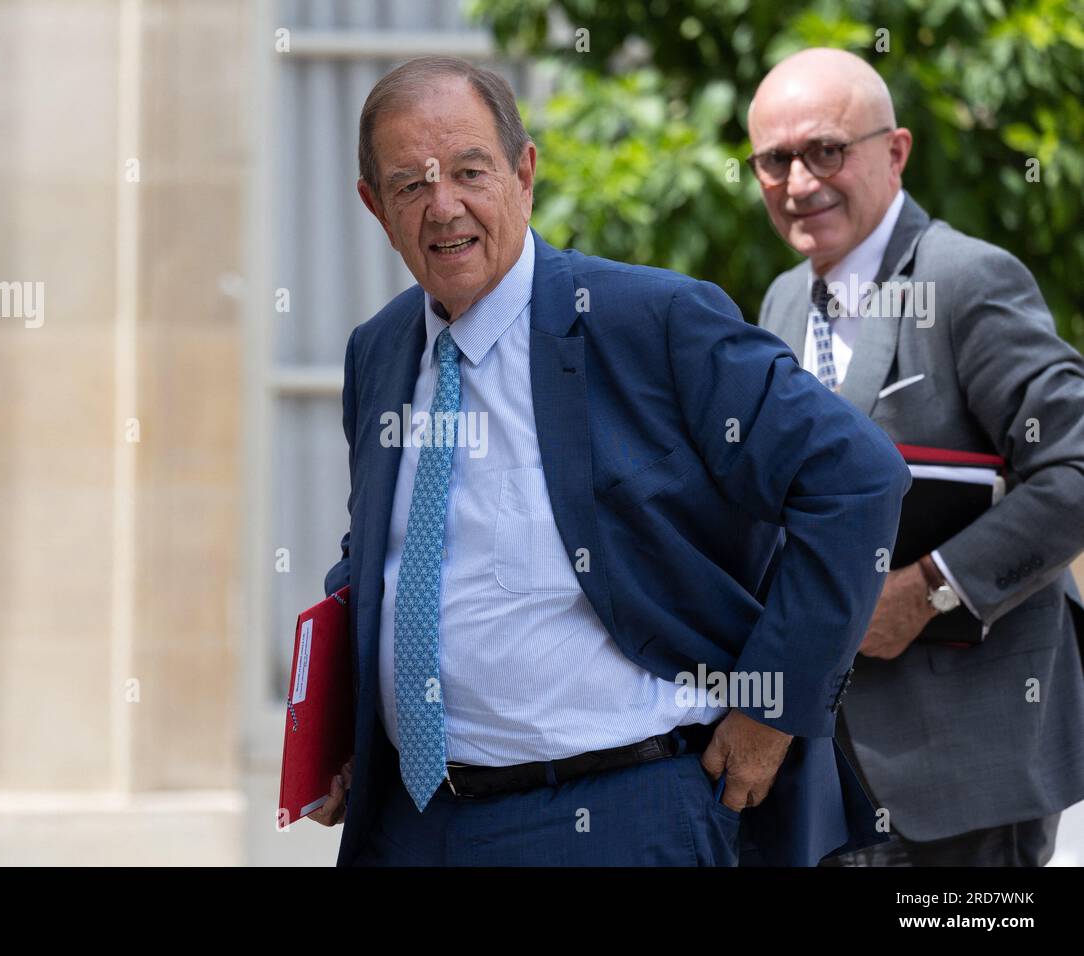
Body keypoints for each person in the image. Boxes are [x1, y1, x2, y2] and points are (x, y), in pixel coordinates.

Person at [312, 55, 910, 866]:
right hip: (413, 824)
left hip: (619, 815)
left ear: (524, 173)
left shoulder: (649, 319)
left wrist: (775, 708)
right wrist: (336, 725)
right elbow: (382, 553)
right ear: (374, 207)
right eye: (410, 185)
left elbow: (856, 477)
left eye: (468, 170)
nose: (443, 206)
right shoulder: (378, 351)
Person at [750, 47, 1084, 866]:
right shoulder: (784, 299)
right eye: (774, 160)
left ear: (894, 151)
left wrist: (931, 590)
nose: (799, 182)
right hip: (827, 778)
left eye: (826, 150)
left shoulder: (967, 280)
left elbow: (1075, 467)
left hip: (968, 770)